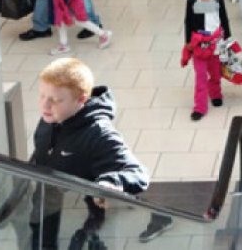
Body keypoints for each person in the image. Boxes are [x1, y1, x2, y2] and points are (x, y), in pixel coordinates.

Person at [31, 58, 157, 247]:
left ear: (81, 99)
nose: (45, 105)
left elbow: (138, 173)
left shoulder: (98, 133)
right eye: (42, 96)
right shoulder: (50, 119)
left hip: (84, 222)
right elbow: (42, 155)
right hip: (45, 211)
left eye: (55, 99)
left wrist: (110, 184)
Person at [182, 0, 231, 120]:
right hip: (199, 46)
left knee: (216, 73)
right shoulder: (192, 1)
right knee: (201, 77)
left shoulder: (218, 0)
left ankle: (216, 93)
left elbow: (223, 19)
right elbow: (188, 22)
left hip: (216, 45)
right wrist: (188, 43)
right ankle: (200, 107)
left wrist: (228, 39)